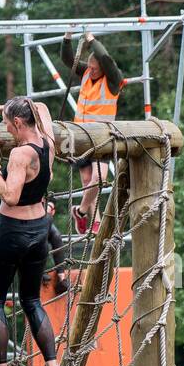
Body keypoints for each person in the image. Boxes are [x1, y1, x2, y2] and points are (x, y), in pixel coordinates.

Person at [0, 98, 69, 366]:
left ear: (17, 124)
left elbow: (10, 196)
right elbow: (42, 107)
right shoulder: (48, 143)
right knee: (31, 300)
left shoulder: (20, 154)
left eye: (5, 122)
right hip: (39, 231)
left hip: (11, 232)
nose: (4, 127)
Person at [61, 30, 123, 235]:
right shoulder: (86, 72)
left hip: (101, 136)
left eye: (96, 68)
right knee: (88, 182)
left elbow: (105, 57)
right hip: (79, 136)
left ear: (103, 69)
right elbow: (68, 59)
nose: (92, 71)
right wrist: (67, 38)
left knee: (98, 178)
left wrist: (91, 39)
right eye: (90, 67)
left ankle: (80, 211)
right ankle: (94, 222)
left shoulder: (113, 80)